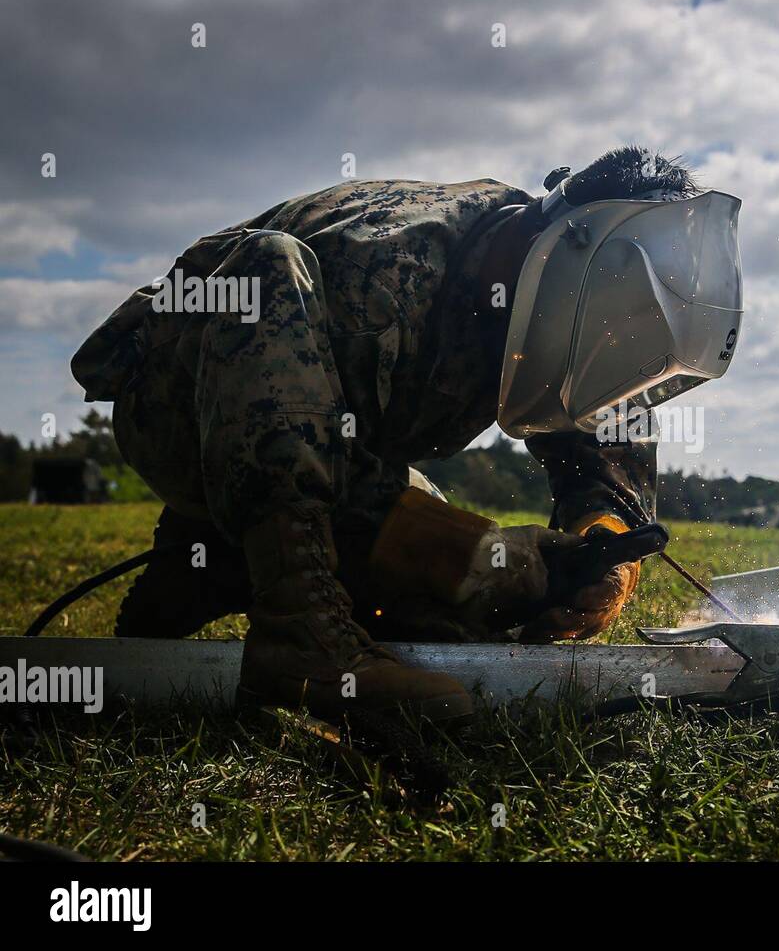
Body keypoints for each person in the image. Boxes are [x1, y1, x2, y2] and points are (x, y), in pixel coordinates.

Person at [70, 146, 744, 722]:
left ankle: (214, 561)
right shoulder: (388, 277)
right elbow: (319, 454)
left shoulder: (534, 273)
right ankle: (299, 633)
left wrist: (604, 547)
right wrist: (468, 554)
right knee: (267, 269)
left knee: (455, 620)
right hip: (177, 407)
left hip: (320, 447)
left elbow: (601, 409)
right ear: (577, 254)